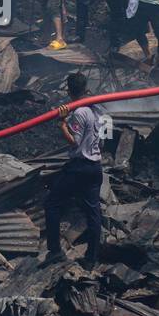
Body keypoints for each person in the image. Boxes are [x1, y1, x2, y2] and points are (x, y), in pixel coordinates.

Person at [43, 72, 105, 268]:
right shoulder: (97, 108)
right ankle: (91, 258)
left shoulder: (79, 112)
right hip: (96, 167)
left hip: (79, 168)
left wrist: (62, 124)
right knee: (93, 213)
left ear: (69, 91)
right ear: (85, 87)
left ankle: (54, 251)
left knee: (52, 204)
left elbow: (74, 141)